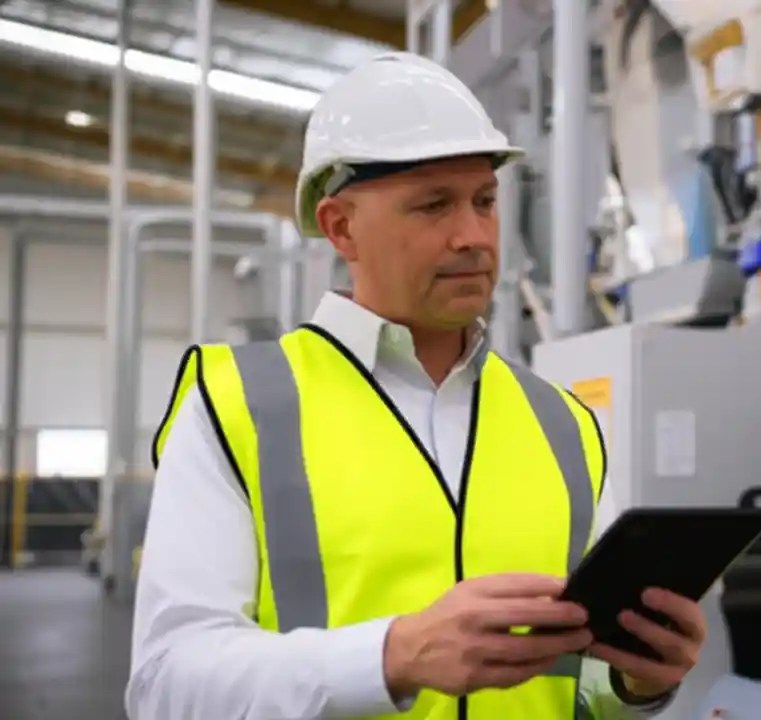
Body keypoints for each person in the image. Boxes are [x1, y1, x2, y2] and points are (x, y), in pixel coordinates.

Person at [126, 52, 707, 720]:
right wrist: (392, 657)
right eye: (434, 206)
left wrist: (640, 681)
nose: (473, 236)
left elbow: (582, 688)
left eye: (484, 202)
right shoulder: (237, 408)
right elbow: (166, 685)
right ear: (342, 227)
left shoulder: (564, 423)